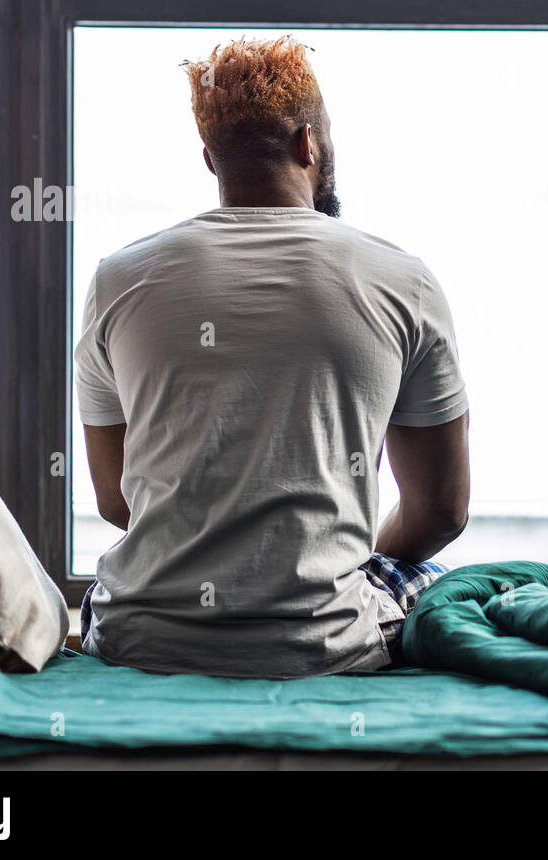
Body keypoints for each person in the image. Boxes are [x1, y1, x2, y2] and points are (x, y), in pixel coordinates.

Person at [74, 35, 470, 678]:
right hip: (326, 643)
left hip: (137, 634)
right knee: (443, 580)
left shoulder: (118, 279)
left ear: (210, 159)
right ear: (309, 143)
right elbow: (441, 513)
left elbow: (119, 502)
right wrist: (338, 559)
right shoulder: (404, 281)